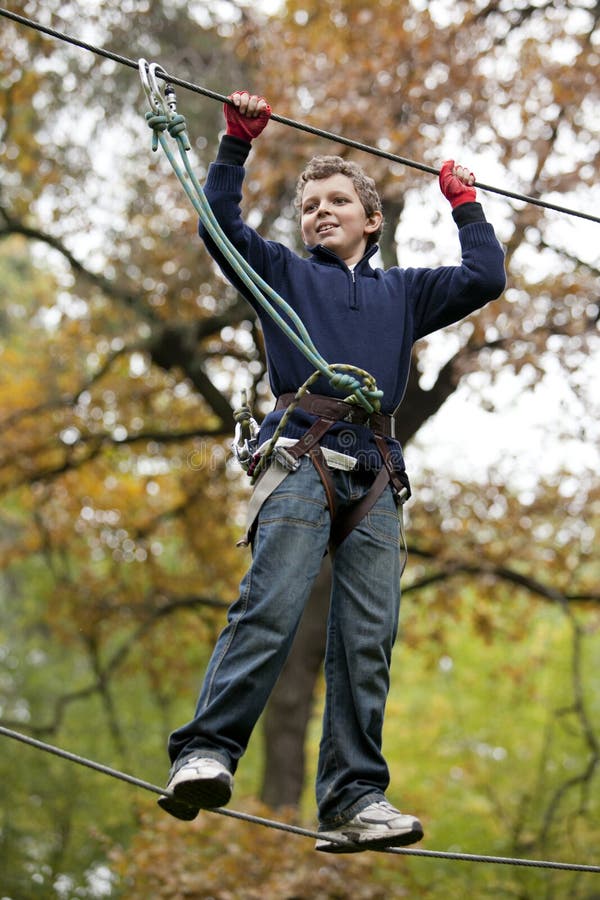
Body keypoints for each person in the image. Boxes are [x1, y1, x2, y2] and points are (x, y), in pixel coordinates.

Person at [158, 91, 506, 853]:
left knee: (368, 638)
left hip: (376, 470)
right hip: (302, 455)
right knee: (271, 604)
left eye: (338, 201)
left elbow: (484, 276)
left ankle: (353, 800)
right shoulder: (282, 272)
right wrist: (234, 148)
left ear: (371, 219)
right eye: (311, 203)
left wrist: (467, 203)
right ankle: (206, 751)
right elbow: (218, 228)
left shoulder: (405, 292)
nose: (319, 211)